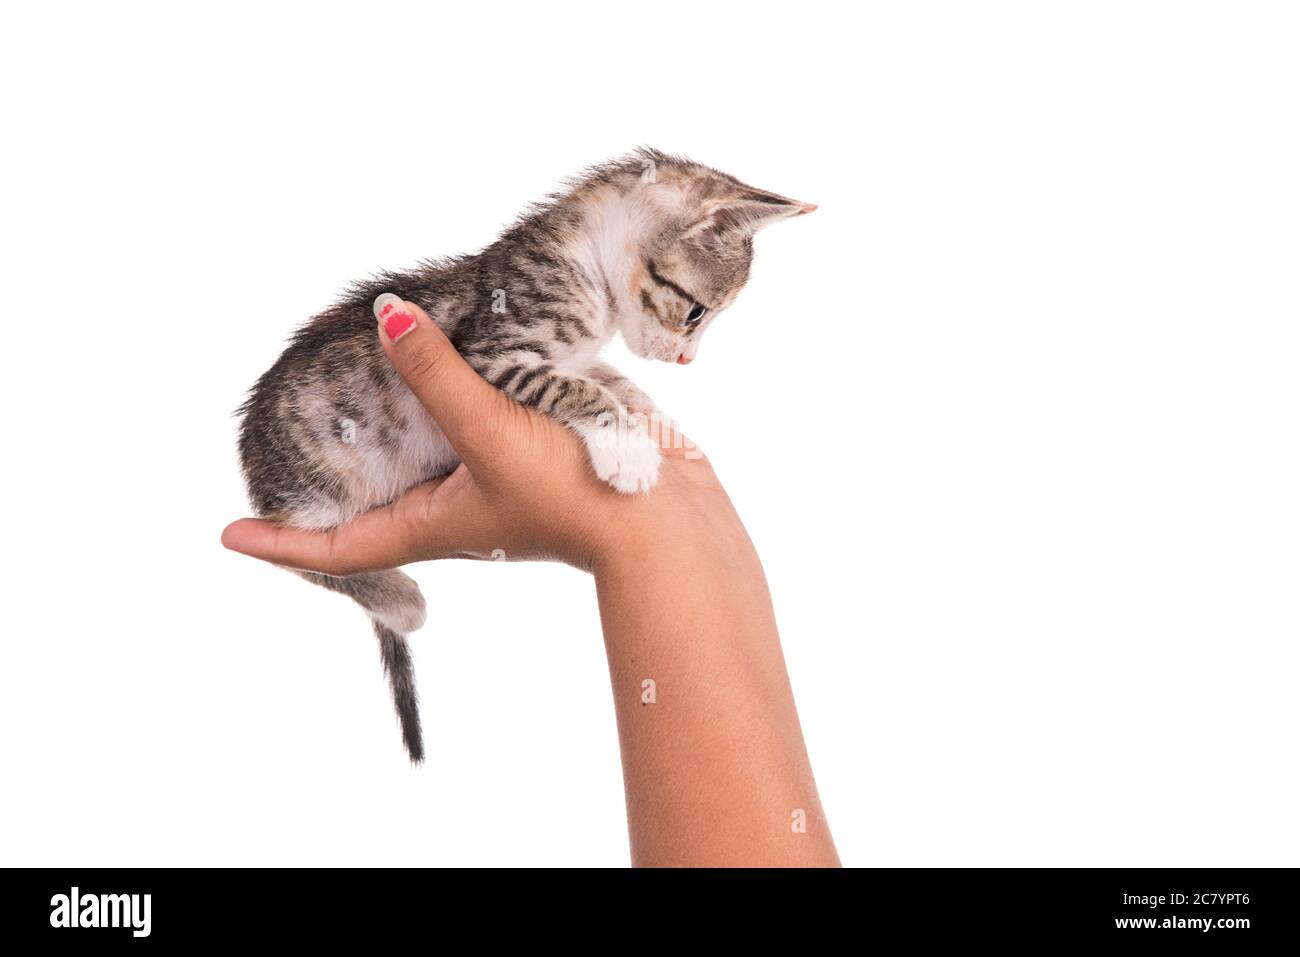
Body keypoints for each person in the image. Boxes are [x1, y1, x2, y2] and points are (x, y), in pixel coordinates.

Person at [222, 300, 840, 867]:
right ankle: (354, 582)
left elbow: (537, 363)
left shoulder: (568, 299)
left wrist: (642, 521)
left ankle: (354, 581)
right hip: (333, 457)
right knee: (319, 529)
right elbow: (504, 360)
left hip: (393, 443)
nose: (685, 354)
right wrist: (656, 517)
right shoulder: (553, 286)